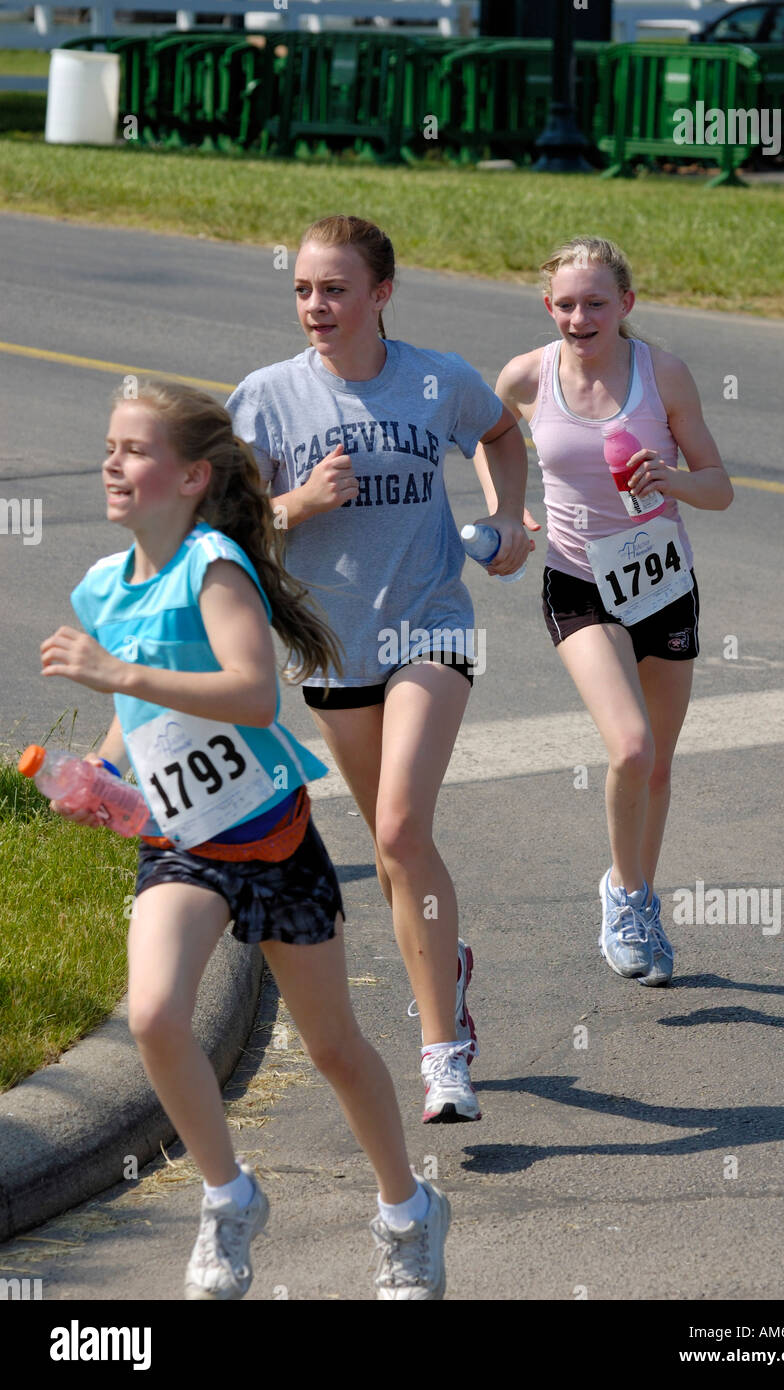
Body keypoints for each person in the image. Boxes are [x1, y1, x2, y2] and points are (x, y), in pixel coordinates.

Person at [39, 379, 451, 1300]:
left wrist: (117, 667)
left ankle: (407, 1211)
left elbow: (254, 694)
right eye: (109, 445)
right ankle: (228, 1197)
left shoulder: (214, 564)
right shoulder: (103, 586)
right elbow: (134, 715)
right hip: (181, 843)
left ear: (190, 476)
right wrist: (103, 777)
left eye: (134, 449)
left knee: (336, 1046)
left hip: (269, 836)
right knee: (152, 1014)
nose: (113, 463)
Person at [226, 214, 530, 1124]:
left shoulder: (436, 378)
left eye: (336, 289)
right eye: (304, 290)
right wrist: (297, 501)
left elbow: (501, 431)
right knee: (396, 854)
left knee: (400, 829)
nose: (316, 306)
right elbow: (224, 532)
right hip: (330, 644)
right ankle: (449, 962)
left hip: (430, 627)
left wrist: (508, 517)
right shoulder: (265, 398)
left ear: (381, 294)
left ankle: (444, 1053)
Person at [473, 236, 733, 986]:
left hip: (661, 582)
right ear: (546, 307)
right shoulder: (526, 376)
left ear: (625, 304)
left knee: (656, 766)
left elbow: (719, 486)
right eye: (564, 304)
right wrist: (508, 512)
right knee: (629, 747)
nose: (579, 317)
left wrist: (671, 480)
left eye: (595, 303)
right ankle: (622, 897)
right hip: (579, 582)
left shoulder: (664, 376)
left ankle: (641, 897)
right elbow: (495, 443)